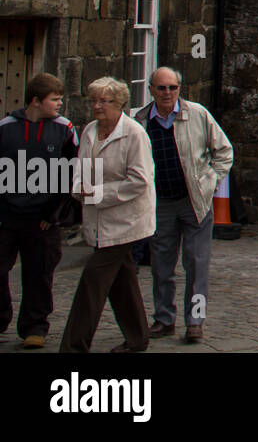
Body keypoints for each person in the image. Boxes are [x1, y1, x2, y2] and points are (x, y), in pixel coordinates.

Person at [133, 66, 234, 343]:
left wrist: (211, 181)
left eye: (173, 88)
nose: (167, 93)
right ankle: (164, 319)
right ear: (151, 89)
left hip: (195, 203)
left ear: (180, 88)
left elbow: (224, 151)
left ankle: (195, 321)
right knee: (161, 267)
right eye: (161, 88)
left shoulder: (198, 114)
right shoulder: (140, 121)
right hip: (160, 203)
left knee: (197, 265)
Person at [60, 77, 156, 353]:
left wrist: (99, 194)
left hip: (128, 220)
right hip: (98, 219)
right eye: (94, 100)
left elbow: (140, 181)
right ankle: (138, 339)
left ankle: (73, 346)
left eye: (104, 101)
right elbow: (80, 166)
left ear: (120, 104)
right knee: (122, 281)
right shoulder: (90, 130)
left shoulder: (134, 134)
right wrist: (78, 187)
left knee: (93, 278)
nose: (97, 106)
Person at [0, 73, 78, 349]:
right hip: (7, 216)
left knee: (39, 273)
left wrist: (52, 213)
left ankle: (35, 327)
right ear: (36, 100)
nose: (60, 104)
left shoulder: (65, 129)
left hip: (44, 219)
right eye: (54, 99)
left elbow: (70, 174)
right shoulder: (5, 128)